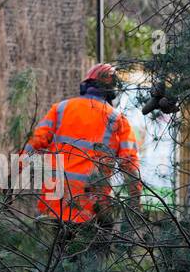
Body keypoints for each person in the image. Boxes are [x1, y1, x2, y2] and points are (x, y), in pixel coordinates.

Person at [23, 63, 141, 226]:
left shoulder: (60, 109)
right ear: (112, 91)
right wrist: (136, 202)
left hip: (54, 206)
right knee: (94, 250)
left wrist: (15, 179)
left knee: (56, 251)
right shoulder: (118, 120)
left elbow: (32, 145)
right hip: (93, 209)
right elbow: (129, 164)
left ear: (86, 85)